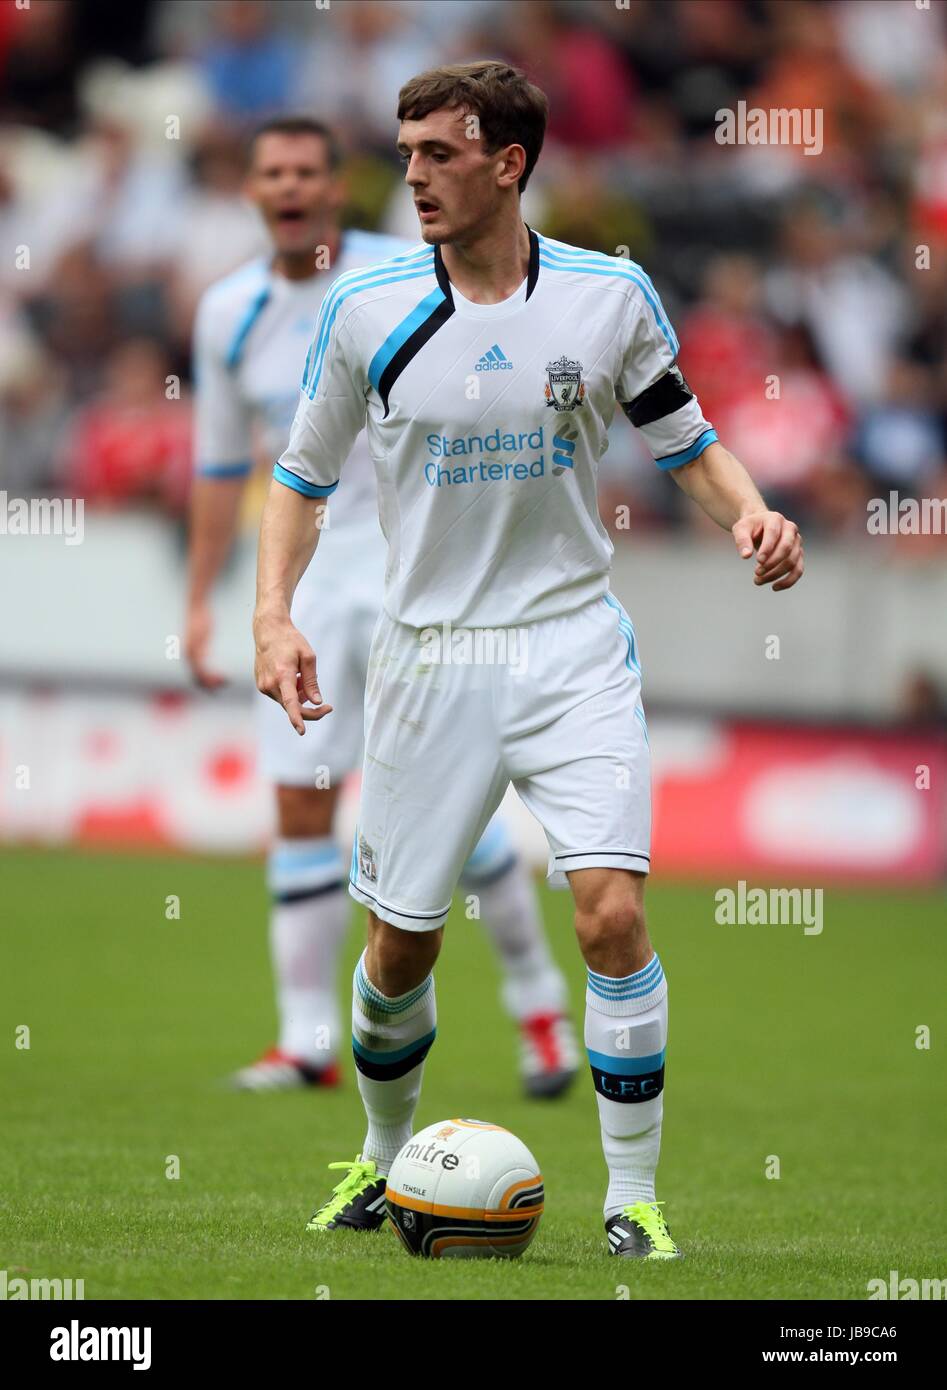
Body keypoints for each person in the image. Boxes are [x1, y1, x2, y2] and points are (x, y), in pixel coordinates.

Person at [252, 65, 803, 1258]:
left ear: (508, 163)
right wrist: (270, 618)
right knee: (399, 947)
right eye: (403, 154)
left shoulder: (608, 297)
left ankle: (630, 1199)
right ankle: (380, 1155)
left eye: (439, 154)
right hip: (426, 657)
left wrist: (749, 512)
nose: (412, 177)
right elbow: (300, 479)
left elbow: (686, 443)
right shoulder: (366, 308)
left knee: (610, 917)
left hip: (569, 649)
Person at [187, 114, 579, 1098]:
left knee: (452, 815)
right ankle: (306, 1037)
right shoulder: (224, 311)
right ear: (250, 189)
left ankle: (539, 1008)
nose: (289, 187)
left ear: (334, 186)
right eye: (270, 171)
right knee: (299, 801)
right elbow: (217, 467)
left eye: (307, 171)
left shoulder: (405, 269)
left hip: (422, 575)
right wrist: (204, 601)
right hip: (308, 589)